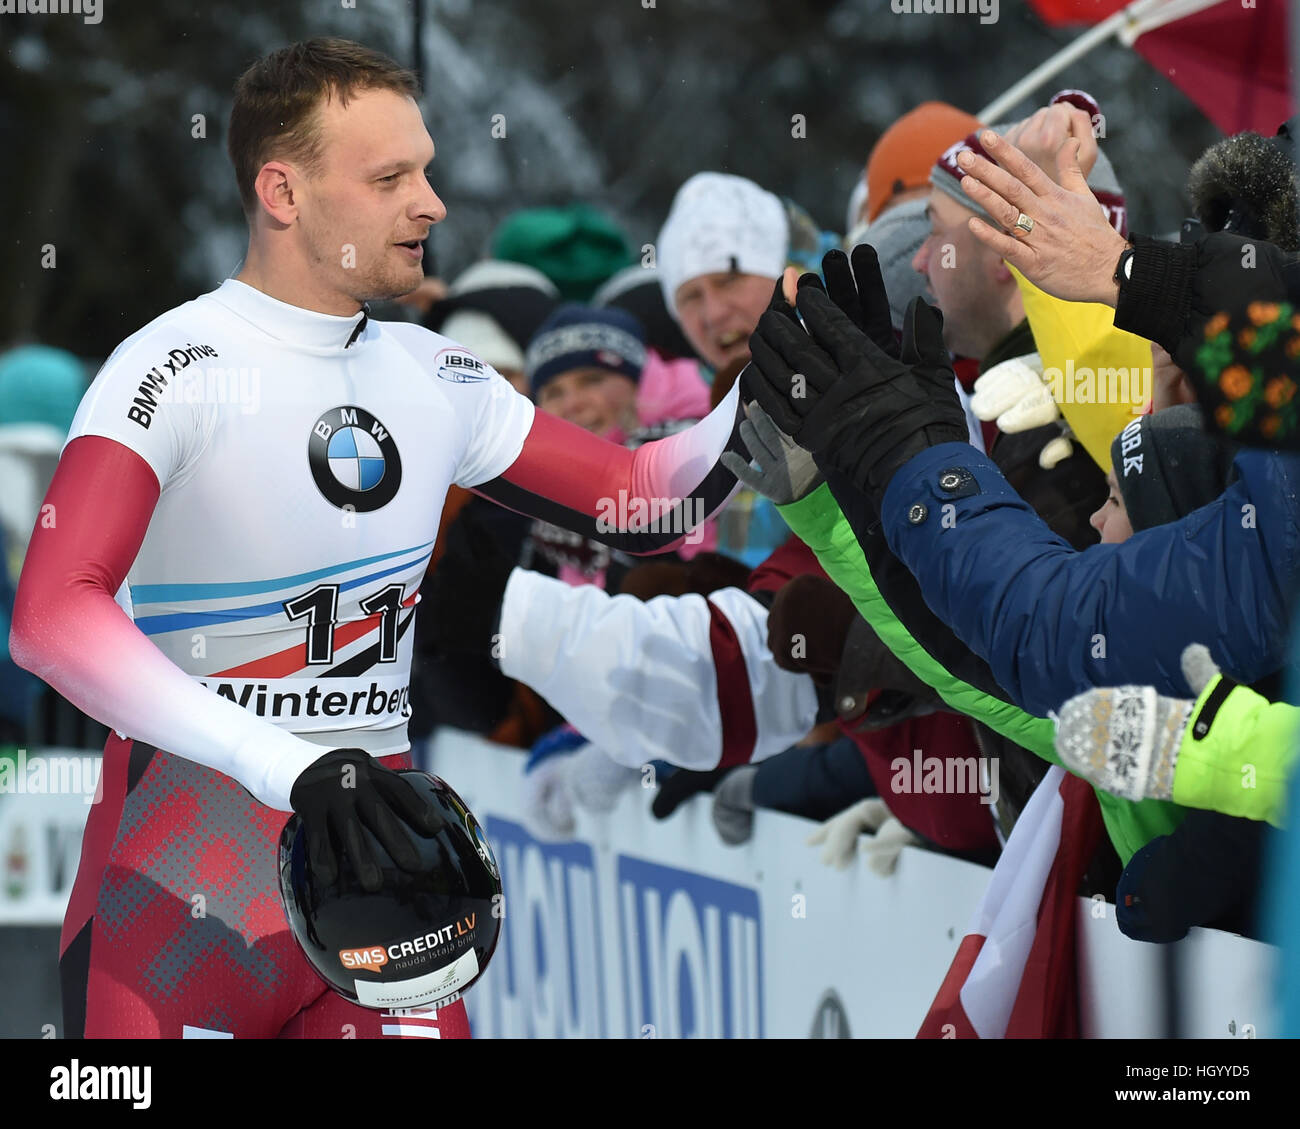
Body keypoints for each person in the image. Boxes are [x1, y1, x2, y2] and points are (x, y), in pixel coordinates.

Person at [10, 37, 746, 1040]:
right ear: (283, 191)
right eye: (391, 176)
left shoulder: (433, 373)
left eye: (428, 170)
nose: (432, 204)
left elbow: (646, 497)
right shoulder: (172, 364)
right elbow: (49, 617)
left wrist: (778, 397)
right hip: (183, 889)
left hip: (388, 892)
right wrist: (289, 764)